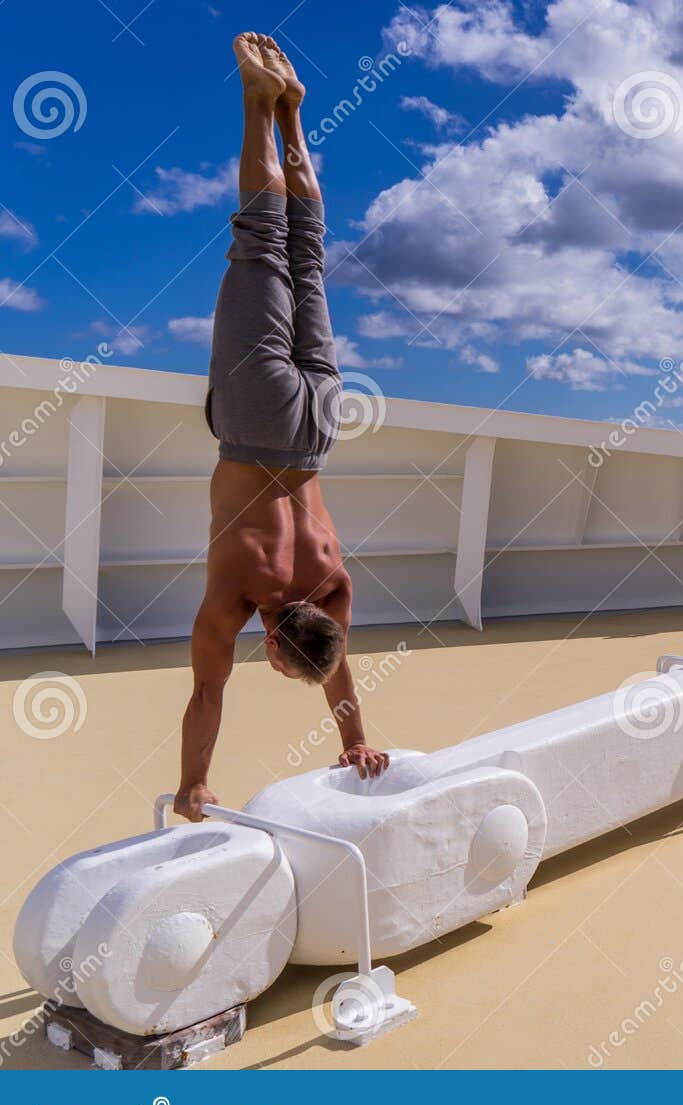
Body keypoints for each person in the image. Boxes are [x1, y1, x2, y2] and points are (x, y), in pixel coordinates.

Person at [174, 33, 389, 823]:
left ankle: (294, 117)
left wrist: (355, 739)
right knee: (261, 243)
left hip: (319, 427)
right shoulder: (241, 596)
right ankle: (256, 101)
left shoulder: (334, 587)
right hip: (258, 422)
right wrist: (195, 782)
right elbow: (206, 695)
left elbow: (337, 670)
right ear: (272, 644)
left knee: (306, 256)